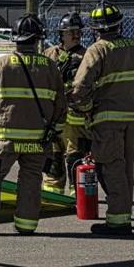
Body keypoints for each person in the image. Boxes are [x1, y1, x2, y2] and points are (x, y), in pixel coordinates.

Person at [0, 14, 65, 236]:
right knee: (31, 180)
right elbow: (60, 105)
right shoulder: (50, 67)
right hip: (38, 141)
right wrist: (55, 132)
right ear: (38, 39)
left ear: (16, 39)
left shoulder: (2, 64)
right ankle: (26, 224)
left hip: (4, 138)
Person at [70, 3, 134, 235]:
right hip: (133, 121)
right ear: (120, 24)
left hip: (107, 122)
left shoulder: (97, 50)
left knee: (111, 169)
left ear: (95, 29)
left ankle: (118, 222)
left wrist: (87, 108)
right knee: (126, 169)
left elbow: (80, 86)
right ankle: (123, 216)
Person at [42, 12, 89, 193]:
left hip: (76, 117)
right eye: (72, 31)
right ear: (62, 34)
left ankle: (76, 193)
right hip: (53, 115)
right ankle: (52, 193)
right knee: (53, 155)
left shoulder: (86, 55)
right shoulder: (49, 54)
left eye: (78, 31)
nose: (77, 35)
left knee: (75, 156)